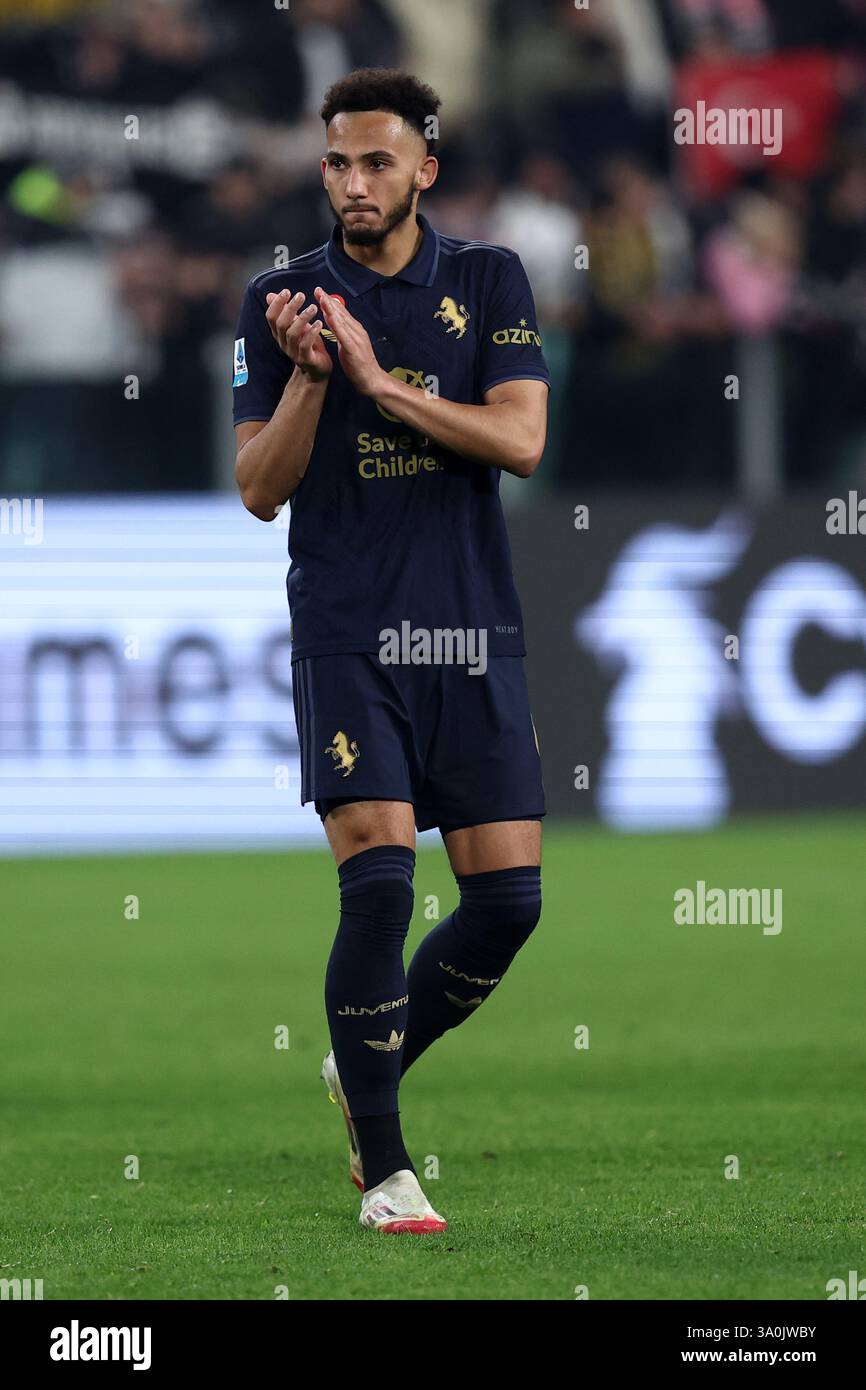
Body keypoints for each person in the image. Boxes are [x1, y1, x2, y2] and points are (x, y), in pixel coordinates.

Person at [232, 67, 547, 1235]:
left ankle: (364, 1058)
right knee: (377, 878)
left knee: (507, 903)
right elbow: (259, 490)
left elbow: (518, 441)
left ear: (424, 166)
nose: (353, 183)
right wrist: (316, 379)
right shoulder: (278, 299)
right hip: (347, 628)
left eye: (377, 162)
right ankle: (386, 1167)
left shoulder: (485, 279)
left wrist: (378, 381)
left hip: (468, 625)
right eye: (336, 163)